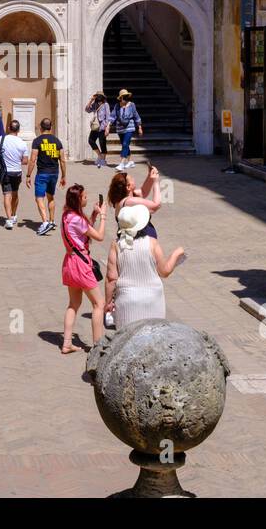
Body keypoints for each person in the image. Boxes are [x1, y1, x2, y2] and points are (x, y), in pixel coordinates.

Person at [105, 204, 184, 329]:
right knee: (154, 339)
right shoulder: (152, 242)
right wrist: (176, 253)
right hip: (153, 299)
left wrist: (108, 302)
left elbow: (111, 278)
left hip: (127, 300)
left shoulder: (116, 245)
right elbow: (165, 271)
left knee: (127, 341)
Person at [59, 184, 107, 353]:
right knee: (98, 304)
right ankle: (97, 345)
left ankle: (66, 343)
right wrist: (103, 217)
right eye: (85, 196)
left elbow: (84, 232)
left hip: (69, 263)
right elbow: (99, 236)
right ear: (78, 200)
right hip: (81, 265)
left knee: (73, 304)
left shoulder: (66, 216)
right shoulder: (78, 219)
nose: (87, 198)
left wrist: (93, 215)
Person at [25, 117, 66, 236]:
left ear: (41, 128)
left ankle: (45, 222)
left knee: (39, 197)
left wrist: (28, 175)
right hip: (54, 173)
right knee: (51, 197)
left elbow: (32, 159)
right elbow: (62, 160)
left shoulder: (37, 141)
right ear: (51, 127)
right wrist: (64, 176)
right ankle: (52, 221)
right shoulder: (57, 141)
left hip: (42, 173)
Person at [0, 118, 29, 230]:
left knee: (7, 194)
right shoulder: (22, 143)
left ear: (9, 128)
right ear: (18, 130)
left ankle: (9, 219)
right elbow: (25, 161)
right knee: (15, 194)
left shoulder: (1, 139)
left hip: (5, 172)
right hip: (17, 172)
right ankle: (14, 215)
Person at [113, 89, 143, 171]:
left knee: (125, 144)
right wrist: (108, 126)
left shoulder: (132, 105)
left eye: (126, 97)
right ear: (120, 98)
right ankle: (130, 162)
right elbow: (113, 116)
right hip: (120, 129)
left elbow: (136, 115)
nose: (125, 98)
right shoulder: (117, 106)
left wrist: (139, 127)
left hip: (129, 128)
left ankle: (122, 163)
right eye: (124, 97)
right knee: (125, 145)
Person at [85, 90, 112, 168]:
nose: (99, 97)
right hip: (95, 127)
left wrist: (107, 128)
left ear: (103, 97)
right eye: (98, 96)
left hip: (103, 127)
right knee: (91, 141)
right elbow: (87, 110)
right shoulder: (95, 104)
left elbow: (108, 117)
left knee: (102, 143)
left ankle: (103, 160)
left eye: (100, 96)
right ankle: (99, 156)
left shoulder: (105, 105)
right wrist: (91, 100)